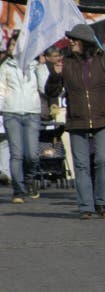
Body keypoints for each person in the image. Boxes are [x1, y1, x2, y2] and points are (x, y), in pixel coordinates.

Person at [45, 24, 105, 218]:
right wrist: (55, 75)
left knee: (103, 160)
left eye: (75, 39)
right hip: (77, 120)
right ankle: (86, 206)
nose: (71, 42)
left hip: (102, 118)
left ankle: (101, 202)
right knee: (81, 164)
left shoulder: (103, 60)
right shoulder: (67, 62)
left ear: (85, 42)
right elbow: (52, 92)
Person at [0, 31, 50, 203]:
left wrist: (43, 66)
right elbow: (1, 91)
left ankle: (28, 180)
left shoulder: (34, 66)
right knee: (16, 154)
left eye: (17, 44)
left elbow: (45, 88)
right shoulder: (5, 67)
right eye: (12, 45)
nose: (14, 47)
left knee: (32, 155)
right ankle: (18, 191)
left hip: (31, 113)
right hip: (11, 113)